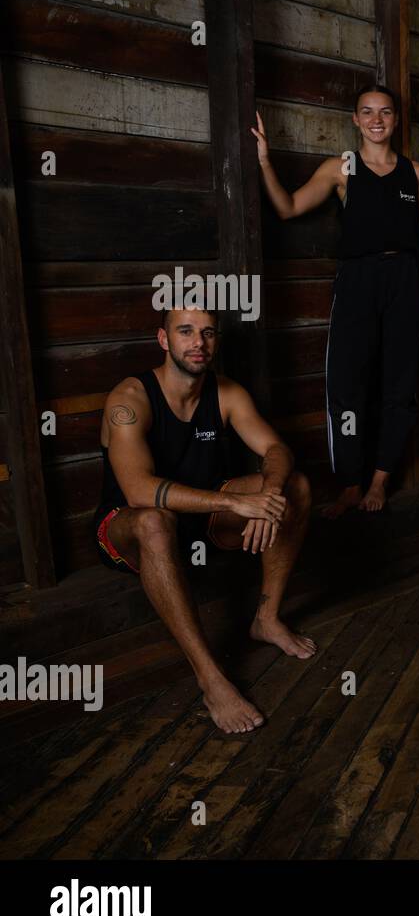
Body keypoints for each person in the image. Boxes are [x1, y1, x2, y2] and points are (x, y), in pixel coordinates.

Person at [94, 307, 315, 734]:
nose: (199, 342)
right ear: (164, 340)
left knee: (297, 487)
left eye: (208, 332)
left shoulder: (227, 391)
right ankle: (211, 678)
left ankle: (266, 620)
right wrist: (236, 505)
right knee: (154, 522)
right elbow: (139, 491)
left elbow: (277, 449)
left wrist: (268, 495)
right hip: (130, 527)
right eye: (186, 331)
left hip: (203, 518)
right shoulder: (129, 398)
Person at [252, 84, 419, 516]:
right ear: (355, 120)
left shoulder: (417, 174)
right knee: (347, 382)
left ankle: (380, 480)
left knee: (399, 385)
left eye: (385, 112)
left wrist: (418, 289)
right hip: (357, 281)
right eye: (367, 112)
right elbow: (289, 207)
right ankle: (350, 481)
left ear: (395, 119)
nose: (376, 120)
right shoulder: (342, 169)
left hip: (404, 282)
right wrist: (264, 160)